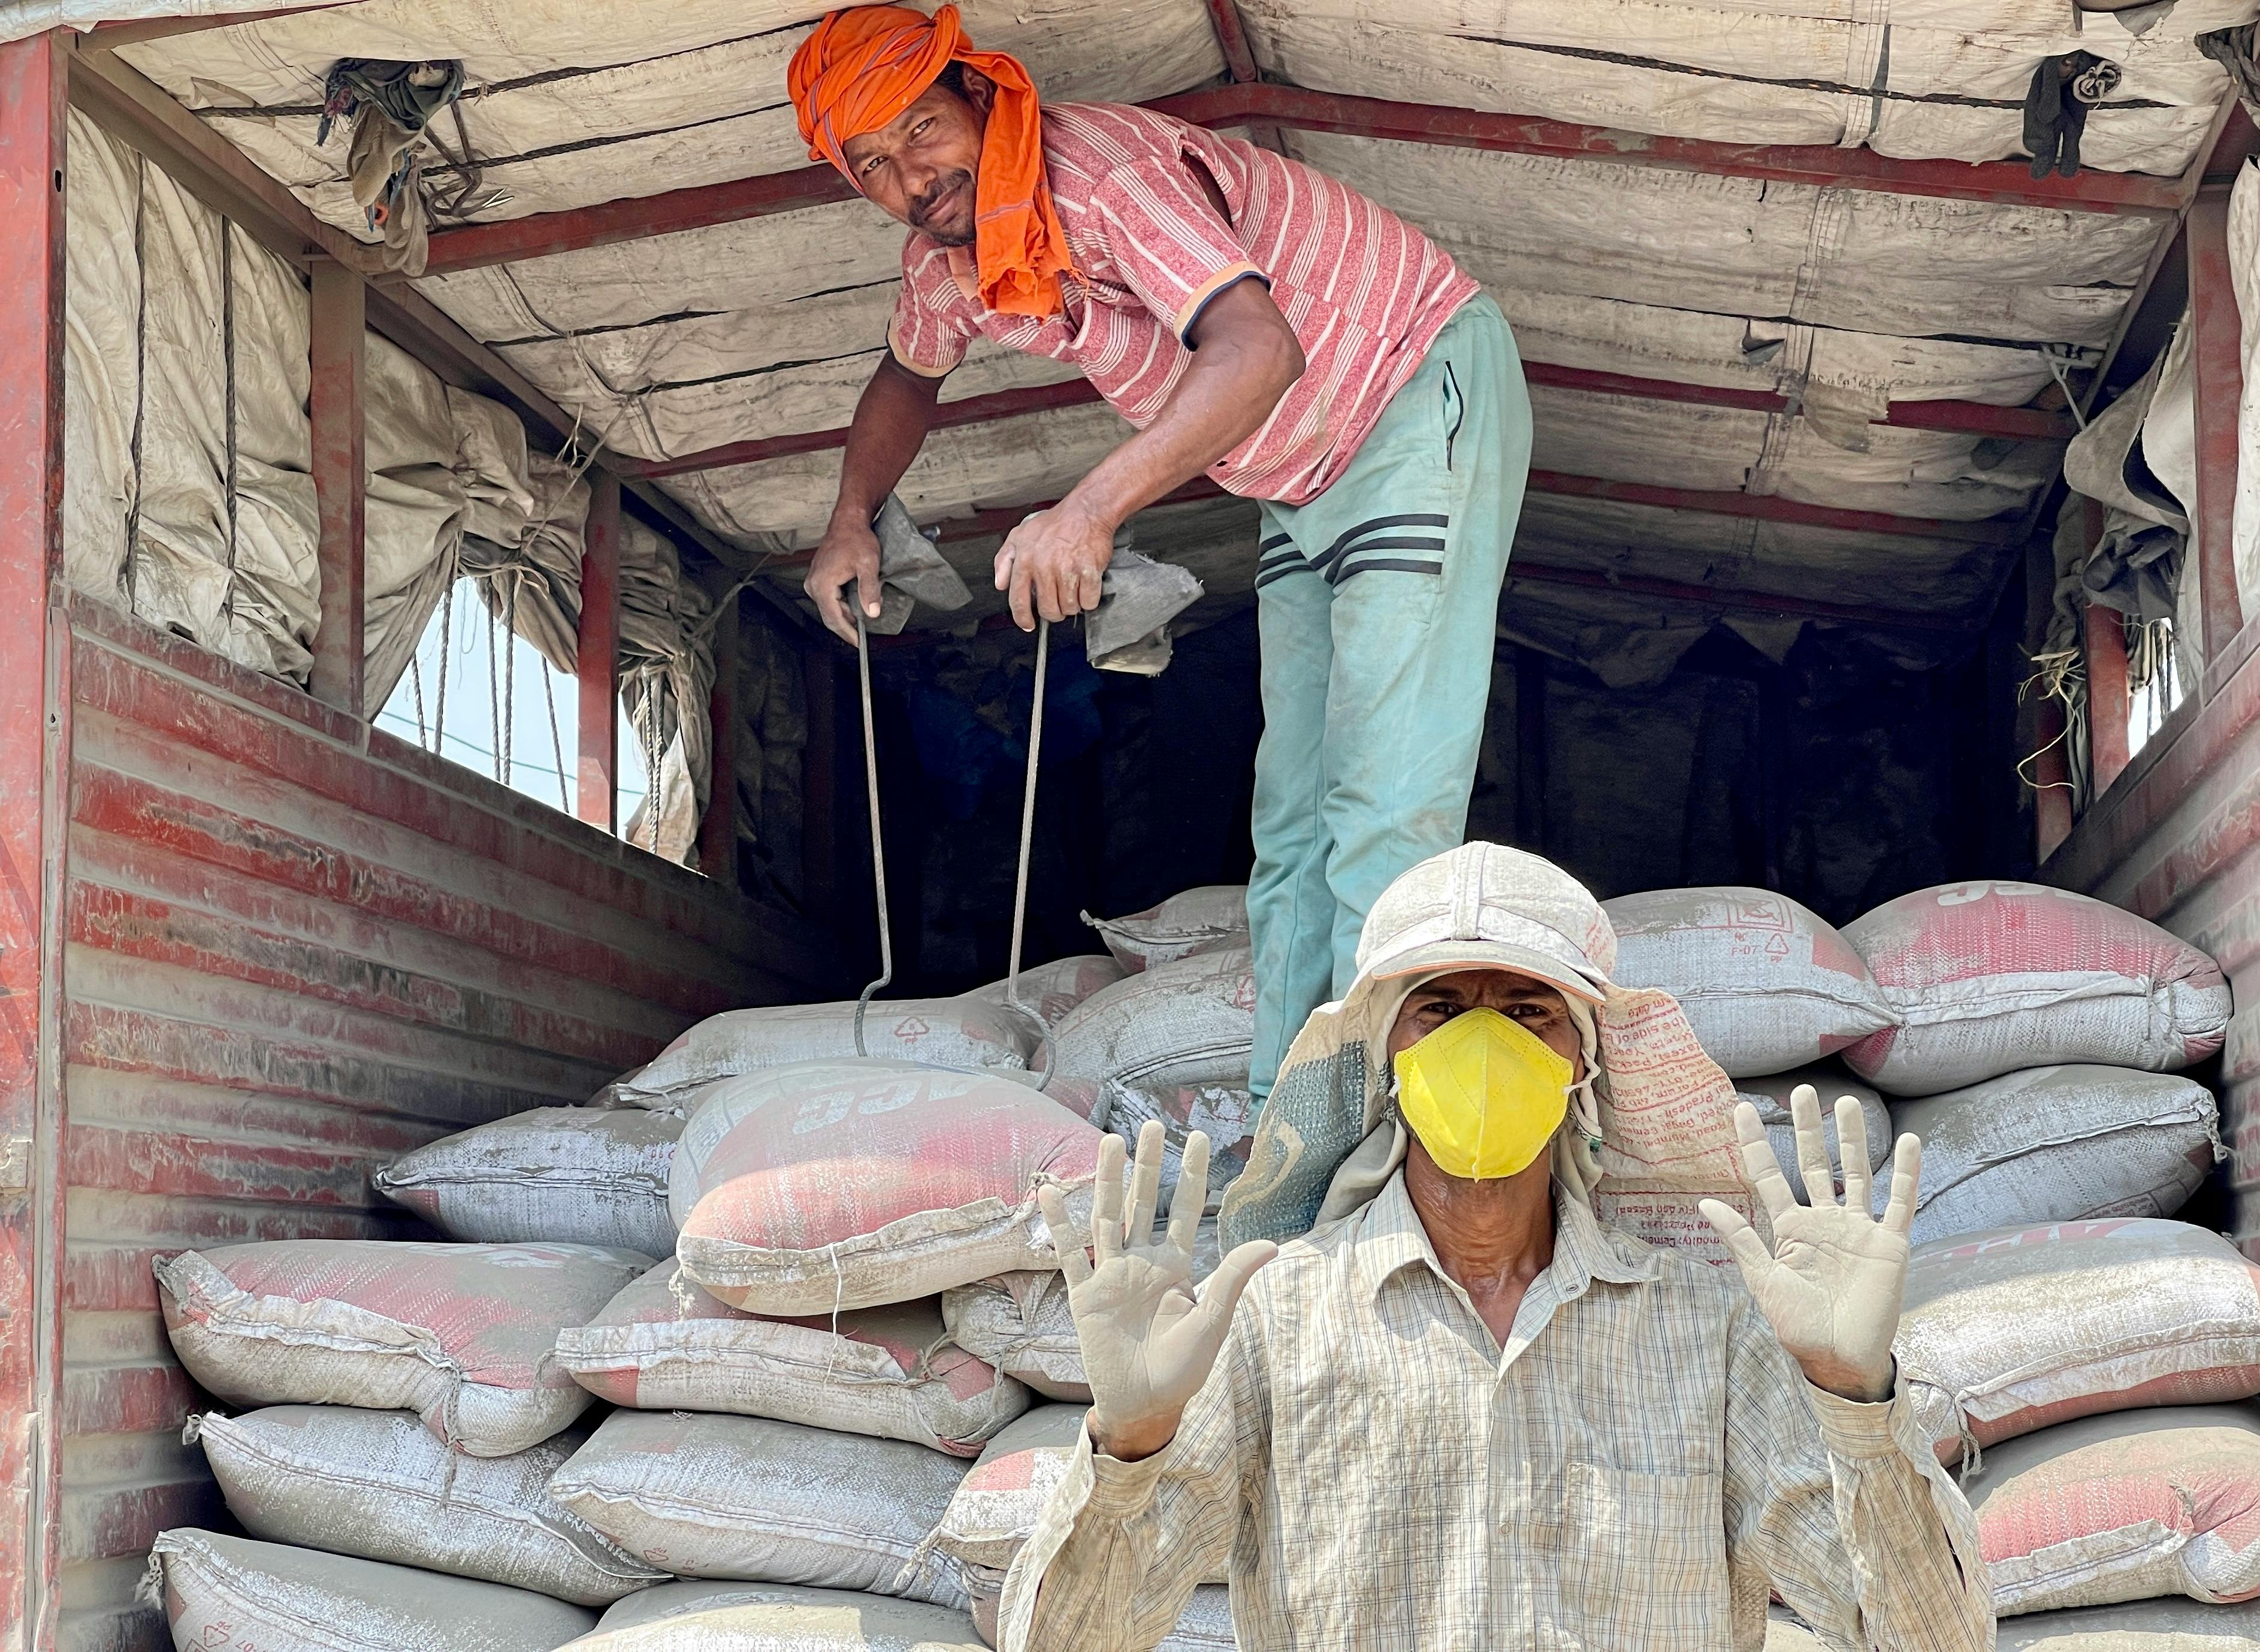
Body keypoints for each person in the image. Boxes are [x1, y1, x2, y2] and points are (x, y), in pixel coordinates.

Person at [786, 7, 1532, 1102]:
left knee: (1383, 815)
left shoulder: (1103, 178)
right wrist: (851, 516)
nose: (909, 176)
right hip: (1298, 480)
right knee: (1287, 827)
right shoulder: (950, 268)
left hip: (1411, 393)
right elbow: (907, 376)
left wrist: (1090, 511)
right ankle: (1299, 1119)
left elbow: (1258, 347)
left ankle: (1386, 1140)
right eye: (874, 165)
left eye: (922, 129)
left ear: (985, 97)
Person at [1002, 842, 1994, 1651]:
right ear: (1387, 1054)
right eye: (1442, 1008)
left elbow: (1929, 1642)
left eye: (1528, 1012)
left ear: (1585, 1061)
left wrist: (1859, 1401)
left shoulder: (1708, 1326)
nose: (1485, 1045)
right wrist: (1127, 1445)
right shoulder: (1275, 1316)